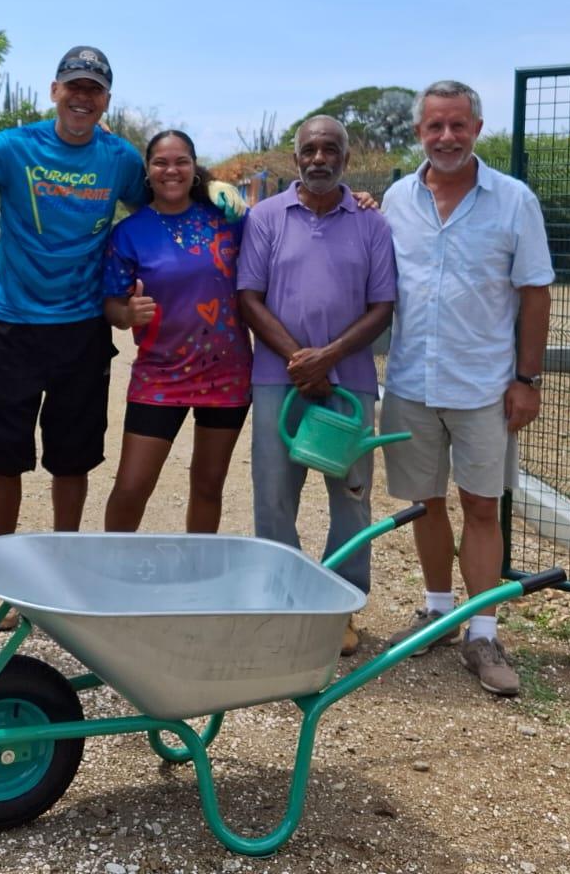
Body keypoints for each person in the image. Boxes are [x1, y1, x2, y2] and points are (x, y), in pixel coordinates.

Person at [380, 80, 554, 697]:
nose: (447, 137)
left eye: (458, 125)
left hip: (483, 385)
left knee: (482, 506)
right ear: (419, 132)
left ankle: (483, 632)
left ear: (477, 129)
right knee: (425, 501)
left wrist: (527, 380)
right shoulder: (396, 200)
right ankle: (438, 611)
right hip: (411, 382)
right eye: (435, 126)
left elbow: (535, 294)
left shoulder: (513, 201)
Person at [0, 45, 146, 623]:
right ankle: (5, 576)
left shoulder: (120, 159)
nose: (82, 98)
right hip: (13, 322)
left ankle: (63, 571)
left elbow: (160, 205)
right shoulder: (10, 148)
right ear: (54, 91)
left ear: (106, 100)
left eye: (94, 89)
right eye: (74, 86)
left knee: (72, 459)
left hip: (82, 327)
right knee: (2, 457)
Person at [236, 116, 396, 657]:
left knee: (351, 497)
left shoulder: (372, 224)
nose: (319, 158)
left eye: (330, 149)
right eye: (310, 150)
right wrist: (299, 361)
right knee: (274, 495)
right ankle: (282, 601)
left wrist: (327, 357)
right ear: (296, 158)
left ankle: (340, 607)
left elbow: (382, 306)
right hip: (277, 381)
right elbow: (249, 297)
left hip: (350, 383)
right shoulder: (265, 217)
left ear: (345, 159)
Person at [101, 130, 250, 533]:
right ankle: (111, 566)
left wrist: (359, 200)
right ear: (147, 171)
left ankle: (197, 569)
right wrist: (127, 313)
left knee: (208, 486)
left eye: (181, 161)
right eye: (161, 162)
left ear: (194, 167)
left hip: (228, 376)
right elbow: (111, 305)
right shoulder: (129, 233)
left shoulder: (228, 220)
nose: (171, 170)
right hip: (160, 376)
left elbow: (286, 226)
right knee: (131, 488)